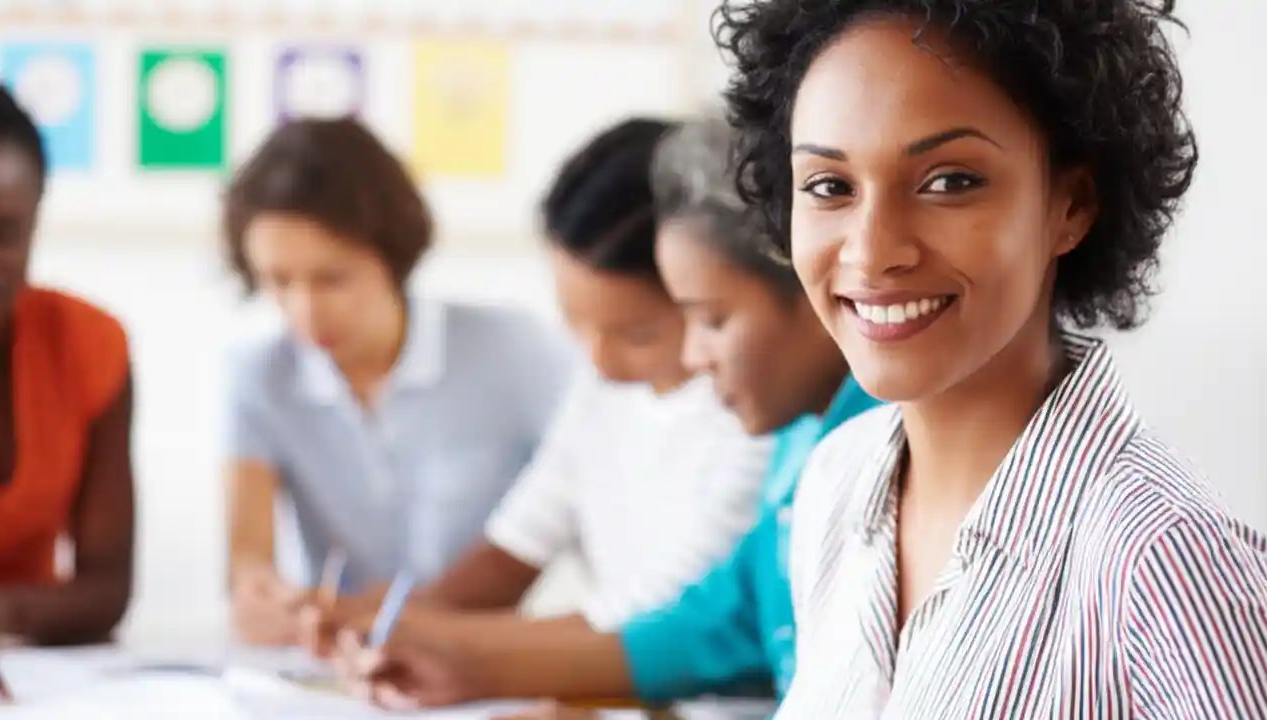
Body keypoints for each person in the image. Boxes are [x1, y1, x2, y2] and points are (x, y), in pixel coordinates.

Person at [715, 1, 1267, 717]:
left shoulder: (1163, 558)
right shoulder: (836, 483)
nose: (874, 251)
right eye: (830, 187)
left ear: (1071, 204)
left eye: (949, 181)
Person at [328, 118, 881, 716]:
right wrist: (458, 656)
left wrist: (475, 656)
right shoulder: (797, 440)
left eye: (710, 320)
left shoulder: (829, 439)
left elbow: (682, 615)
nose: (696, 355)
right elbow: (719, 623)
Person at [305, 118, 772, 654]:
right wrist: (391, 621)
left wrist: (449, 643)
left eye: (637, 334)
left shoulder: (755, 409)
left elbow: (672, 606)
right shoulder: (600, 388)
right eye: (574, 323)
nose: (598, 361)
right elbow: (523, 533)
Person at [222, 118, 572, 645]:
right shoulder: (260, 377)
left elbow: (589, 500)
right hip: (340, 660)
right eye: (278, 280)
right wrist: (262, 599)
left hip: (487, 659)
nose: (305, 309)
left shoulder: (517, 352)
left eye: (331, 278)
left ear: (392, 254)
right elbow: (247, 560)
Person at [0, 86, 134, 696]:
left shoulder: (88, 344)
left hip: (30, 679)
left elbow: (106, 589)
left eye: (4, 233)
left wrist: (2, 613)